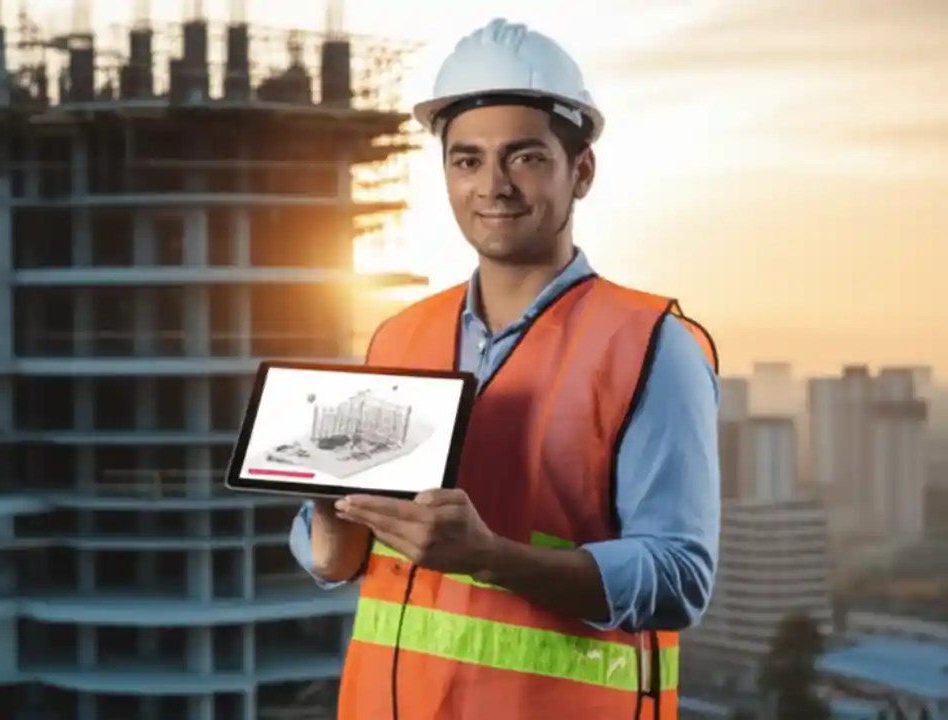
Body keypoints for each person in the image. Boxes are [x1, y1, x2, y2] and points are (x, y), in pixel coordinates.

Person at [285, 18, 721, 720]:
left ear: (580, 171)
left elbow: (679, 579)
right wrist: (333, 521)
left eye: (524, 158)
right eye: (467, 161)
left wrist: (490, 556)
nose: (493, 186)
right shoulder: (400, 334)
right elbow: (341, 559)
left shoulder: (650, 345)